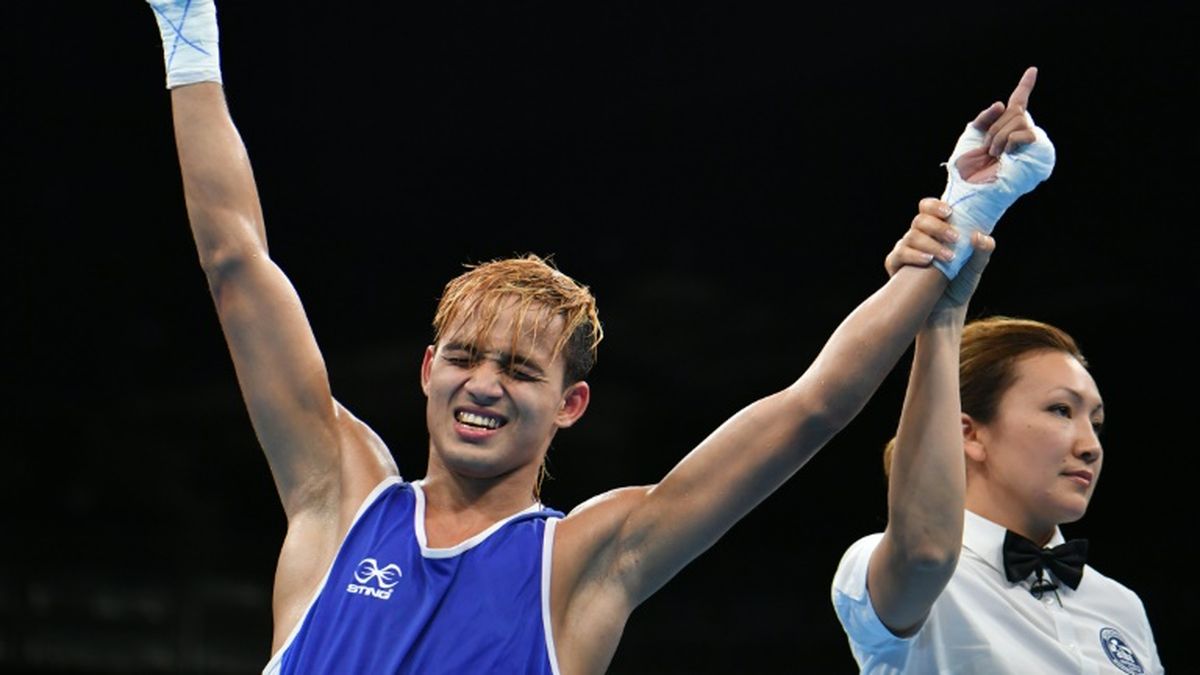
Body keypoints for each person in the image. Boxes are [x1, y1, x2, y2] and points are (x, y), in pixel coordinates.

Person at [144, 2, 1045, 672]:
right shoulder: (335, 499)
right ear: (426, 370)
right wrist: (187, 28)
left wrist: (964, 215)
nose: (483, 384)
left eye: (518, 369)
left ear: (570, 402)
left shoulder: (586, 560)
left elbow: (807, 409)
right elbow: (236, 261)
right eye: (463, 357)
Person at [831, 151, 1164, 671]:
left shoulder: (1120, 608)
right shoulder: (891, 567)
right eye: (1060, 410)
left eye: (1095, 422)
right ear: (969, 433)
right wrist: (940, 313)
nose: (1090, 444)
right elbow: (924, 552)